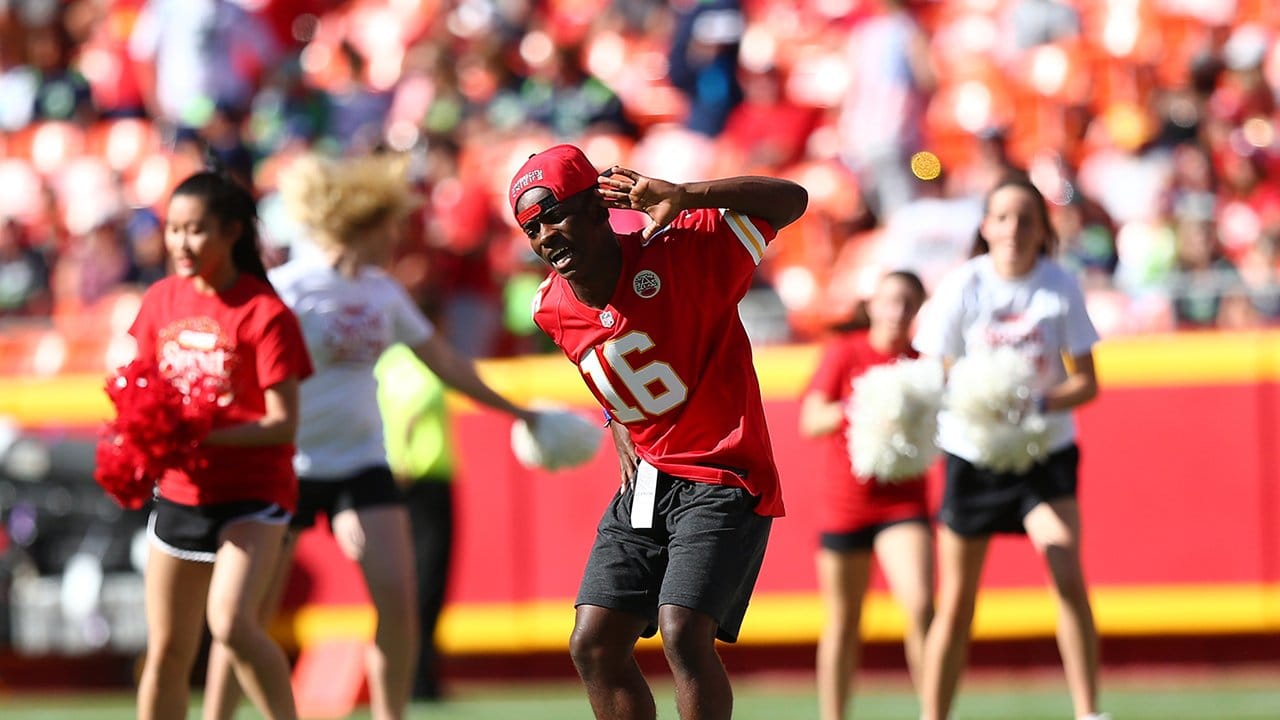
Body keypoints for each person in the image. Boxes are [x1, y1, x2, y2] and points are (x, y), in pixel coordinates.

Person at [203, 152, 541, 720]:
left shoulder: (383, 293)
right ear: (361, 224)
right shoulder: (288, 287)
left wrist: (519, 412)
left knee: (398, 603)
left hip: (360, 465)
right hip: (285, 465)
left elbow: (443, 362)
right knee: (245, 619)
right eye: (391, 225)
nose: (399, 236)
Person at [511, 144, 807, 720]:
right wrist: (616, 418)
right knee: (593, 642)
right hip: (648, 479)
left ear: (599, 207)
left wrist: (687, 193)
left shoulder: (685, 252)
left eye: (555, 215)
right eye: (532, 227)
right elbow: (611, 367)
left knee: (682, 631)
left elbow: (790, 200)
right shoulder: (550, 307)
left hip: (722, 470)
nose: (545, 235)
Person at [913, 174, 1107, 720]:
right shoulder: (962, 285)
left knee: (1066, 569)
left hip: (1043, 455)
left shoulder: (1059, 285)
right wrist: (975, 402)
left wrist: (1033, 405)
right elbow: (932, 370)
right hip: (973, 456)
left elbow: (1087, 382)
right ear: (985, 227)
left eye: (1026, 218)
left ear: (1044, 229)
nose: (1014, 228)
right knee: (956, 601)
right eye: (1003, 217)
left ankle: (1089, 711)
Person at [130, 170, 312, 720]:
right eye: (174, 229)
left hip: (253, 495)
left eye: (196, 230)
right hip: (182, 493)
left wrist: (203, 432)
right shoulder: (160, 300)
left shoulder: (265, 312)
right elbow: (138, 391)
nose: (181, 243)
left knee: (231, 624)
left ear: (233, 232)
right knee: (166, 650)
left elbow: (283, 423)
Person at [799, 271, 934, 720]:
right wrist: (868, 404)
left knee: (920, 605)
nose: (898, 311)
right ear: (872, 305)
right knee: (843, 621)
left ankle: (936, 710)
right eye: (891, 301)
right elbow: (812, 419)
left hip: (903, 503)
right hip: (846, 504)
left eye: (908, 303)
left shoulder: (922, 365)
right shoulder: (845, 352)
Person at [374, 342, 457, 701]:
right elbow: (413, 408)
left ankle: (410, 675)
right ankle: (420, 678)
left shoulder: (385, 365)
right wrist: (404, 455)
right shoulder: (426, 362)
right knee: (428, 580)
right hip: (422, 481)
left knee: (401, 581)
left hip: (389, 478)